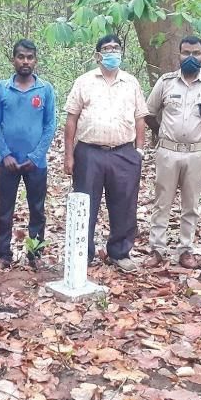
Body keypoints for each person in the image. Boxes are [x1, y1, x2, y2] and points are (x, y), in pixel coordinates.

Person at [64, 34, 148, 273]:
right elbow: (71, 119)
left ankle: (120, 252)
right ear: (98, 54)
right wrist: (69, 155)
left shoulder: (131, 82)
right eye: (107, 48)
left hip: (124, 153)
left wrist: (139, 151)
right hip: (89, 153)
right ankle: (83, 253)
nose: (113, 52)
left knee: (124, 204)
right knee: (85, 204)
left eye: (116, 48)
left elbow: (140, 117)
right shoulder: (84, 82)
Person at [144, 36, 201, 269]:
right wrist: (162, 132)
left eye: (196, 53)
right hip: (168, 151)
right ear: (178, 54)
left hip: (197, 153)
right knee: (162, 202)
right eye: (186, 53)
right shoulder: (166, 81)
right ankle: (157, 249)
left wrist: (200, 137)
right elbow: (149, 113)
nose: (190, 58)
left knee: (191, 204)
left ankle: (185, 249)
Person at [0, 39, 57, 269]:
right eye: (21, 57)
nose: (25, 61)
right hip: (8, 162)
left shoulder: (45, 89)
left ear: (35, 60)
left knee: (37, 209)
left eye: (30, 57)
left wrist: (37, 156)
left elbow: (50, 125)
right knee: (5, 209)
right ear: (13, 60)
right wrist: (5, 154)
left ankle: (35, 253)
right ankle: (3, 254)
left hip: (35, 164)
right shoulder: (1, 88)